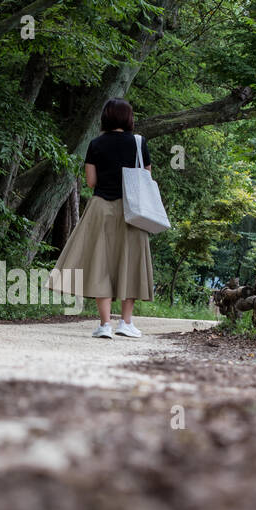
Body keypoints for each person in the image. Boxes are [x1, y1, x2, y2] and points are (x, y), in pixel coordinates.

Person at [48, 97, 153, 337]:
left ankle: (105, 325)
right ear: (128, 118)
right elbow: (147, 178)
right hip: (132, 211)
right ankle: (126, 323)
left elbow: (91, 182)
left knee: (100, 264)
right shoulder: (139, 143)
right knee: (131, 262)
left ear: (105, 117)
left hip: (101, 208)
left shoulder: (96, 144)